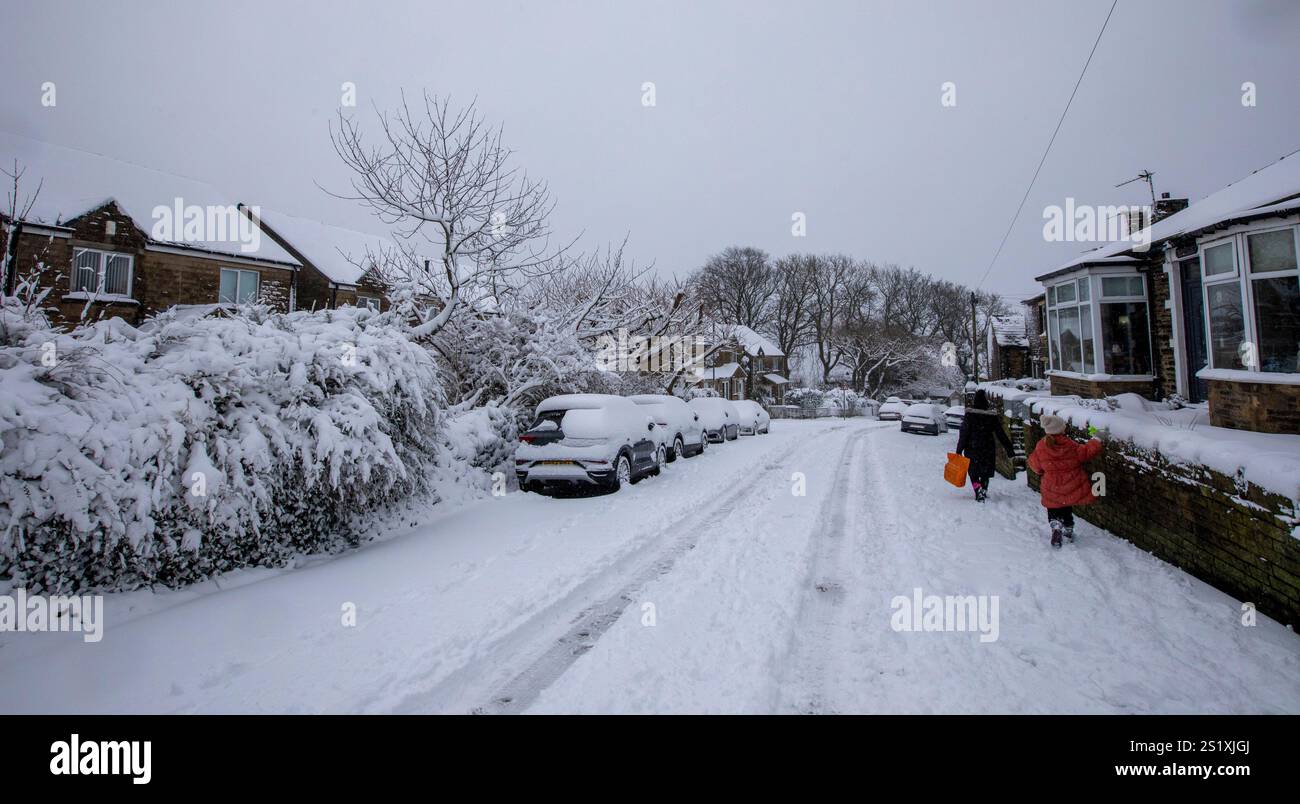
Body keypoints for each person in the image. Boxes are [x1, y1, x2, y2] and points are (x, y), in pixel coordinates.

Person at [1027, 413, 1103, 548]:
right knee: (1066, 507)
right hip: (1069, 484)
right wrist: (1096, 440)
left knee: (1053, 508)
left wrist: (1042, 471)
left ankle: (1056, 526)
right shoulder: (1069, 445)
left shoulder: (1041, 445)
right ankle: (1068, 528)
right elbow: (1086, 452)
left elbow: (1035, 464)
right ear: (1060, 429)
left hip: (1051, 485)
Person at [955, 389, 1014, 503]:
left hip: (972, 447)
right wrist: (1009, 449)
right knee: (985, 471)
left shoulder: (970, 416)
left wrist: (959, 450)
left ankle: (978, 489)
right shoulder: (991, 416)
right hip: (988, 447)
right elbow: (1000, 433)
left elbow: (964, 434)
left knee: (973, 472)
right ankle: (984, 489)